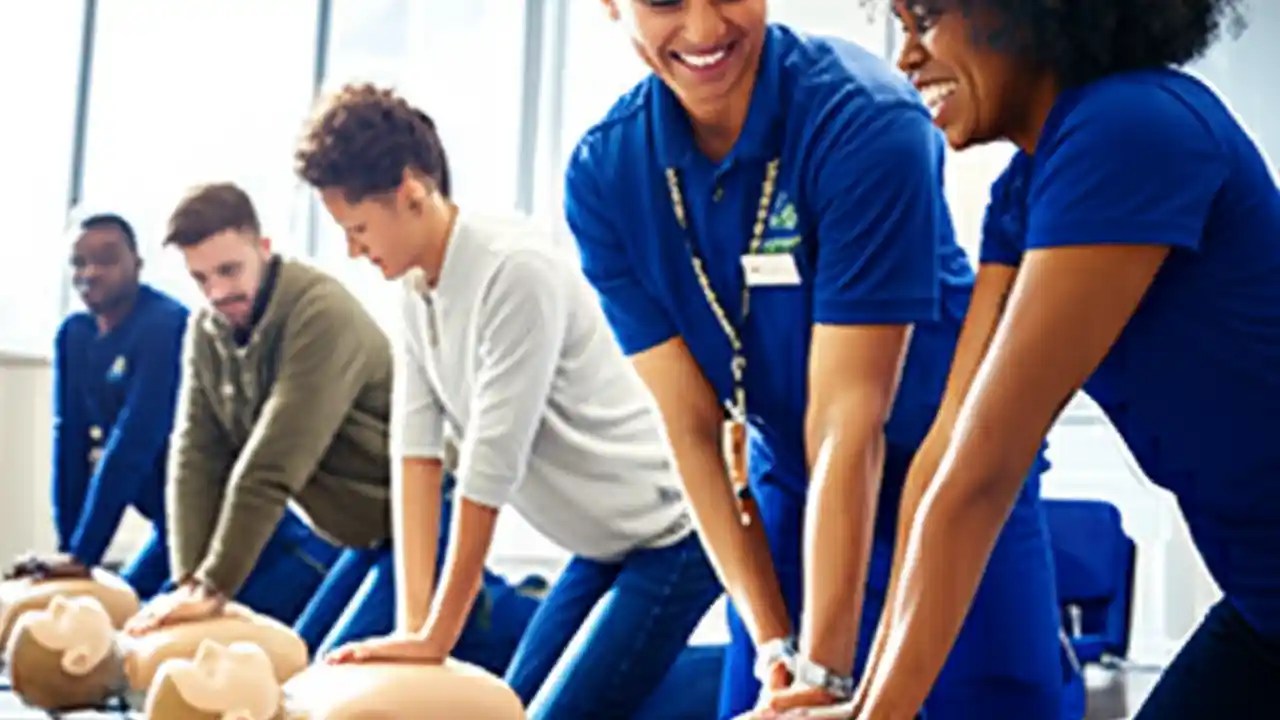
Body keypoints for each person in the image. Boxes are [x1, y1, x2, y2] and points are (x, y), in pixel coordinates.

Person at [566, 2, 1070, 718]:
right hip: (794, 481)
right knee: (765, 695)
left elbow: (849, 418)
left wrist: (827, 678)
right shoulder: (605, 176)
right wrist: (777, 644)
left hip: (954, 470)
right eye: (665, 1)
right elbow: (692, 429)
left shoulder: (867, 120)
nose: (705, 30)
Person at [851, 2, 1278, 719]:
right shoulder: (1024, 191)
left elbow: (988, 467)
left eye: (925, 17)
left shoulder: (1133, 127)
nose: (906, 57)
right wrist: (867, 701)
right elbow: (948, 451)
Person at [293, 82, 725, 720]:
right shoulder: (415, 286)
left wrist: (442, 632)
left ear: (411, 192)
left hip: (673, 536)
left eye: (357, 228)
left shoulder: (512, 271)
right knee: (510, 704)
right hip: (601, 545)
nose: (354, 249)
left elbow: (490, 469)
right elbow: (415, 455)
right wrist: (415, 630)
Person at [123, 183, 532, 677]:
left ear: (264, 249)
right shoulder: (206, 331)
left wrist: (212, 590)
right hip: (365, 538)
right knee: (307, 660)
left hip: (423, 518)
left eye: (230, 270)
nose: (218, 292)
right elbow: (194, 458)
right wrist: (188, 582)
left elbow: (271, 464)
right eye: (201, 278)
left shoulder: (318, 311)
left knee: (335, 678)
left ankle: (564, 624)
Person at [15, 214, 188, 599]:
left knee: (142, 627)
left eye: (107, 259)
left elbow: (133, 444)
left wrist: (84, 554)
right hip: (171, 527)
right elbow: (70, 442)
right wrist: (69, 556)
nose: (90, 272)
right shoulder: (74, 335)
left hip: (228, 529)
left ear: (137, 265)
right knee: (110, 616)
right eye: (79, 262)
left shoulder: (166, 324)